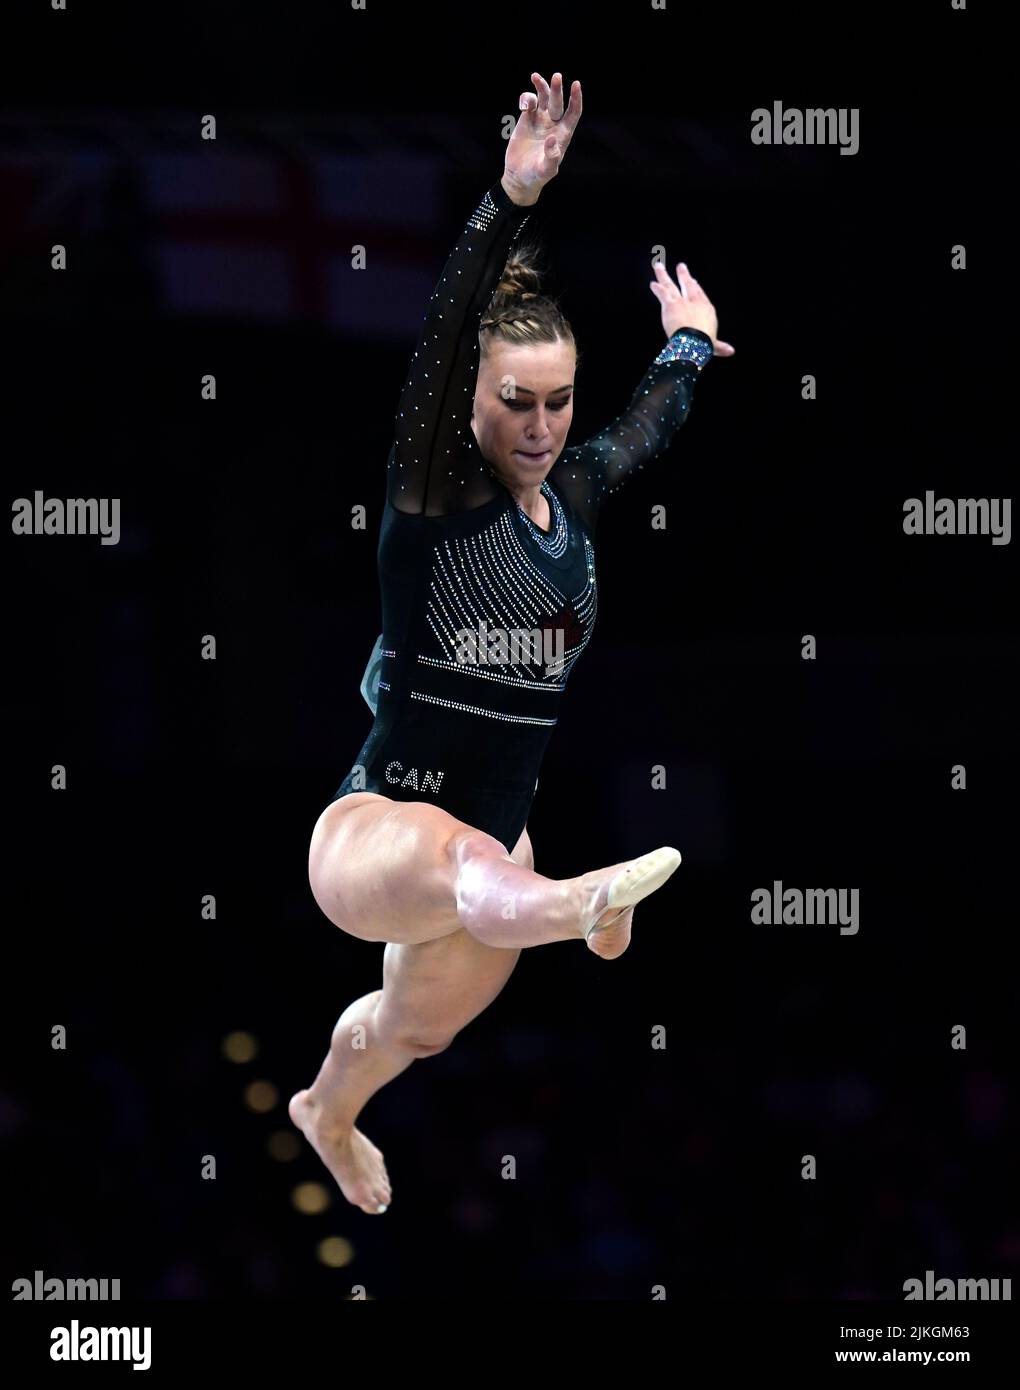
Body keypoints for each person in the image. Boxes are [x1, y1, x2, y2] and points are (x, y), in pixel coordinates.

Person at [290, 72, 734, 1215]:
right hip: (376, 829)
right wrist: (507, 198)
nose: (540, 429)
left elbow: (644, 430)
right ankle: (583, 902)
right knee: (468, 870)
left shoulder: (571, 497)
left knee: (415, 1028)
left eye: (557, 401)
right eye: (515, 401)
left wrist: (687, 348)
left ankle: (325, 1109)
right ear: (473, 402)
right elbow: (441, 342)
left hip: (495, 830)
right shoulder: (435, 492)